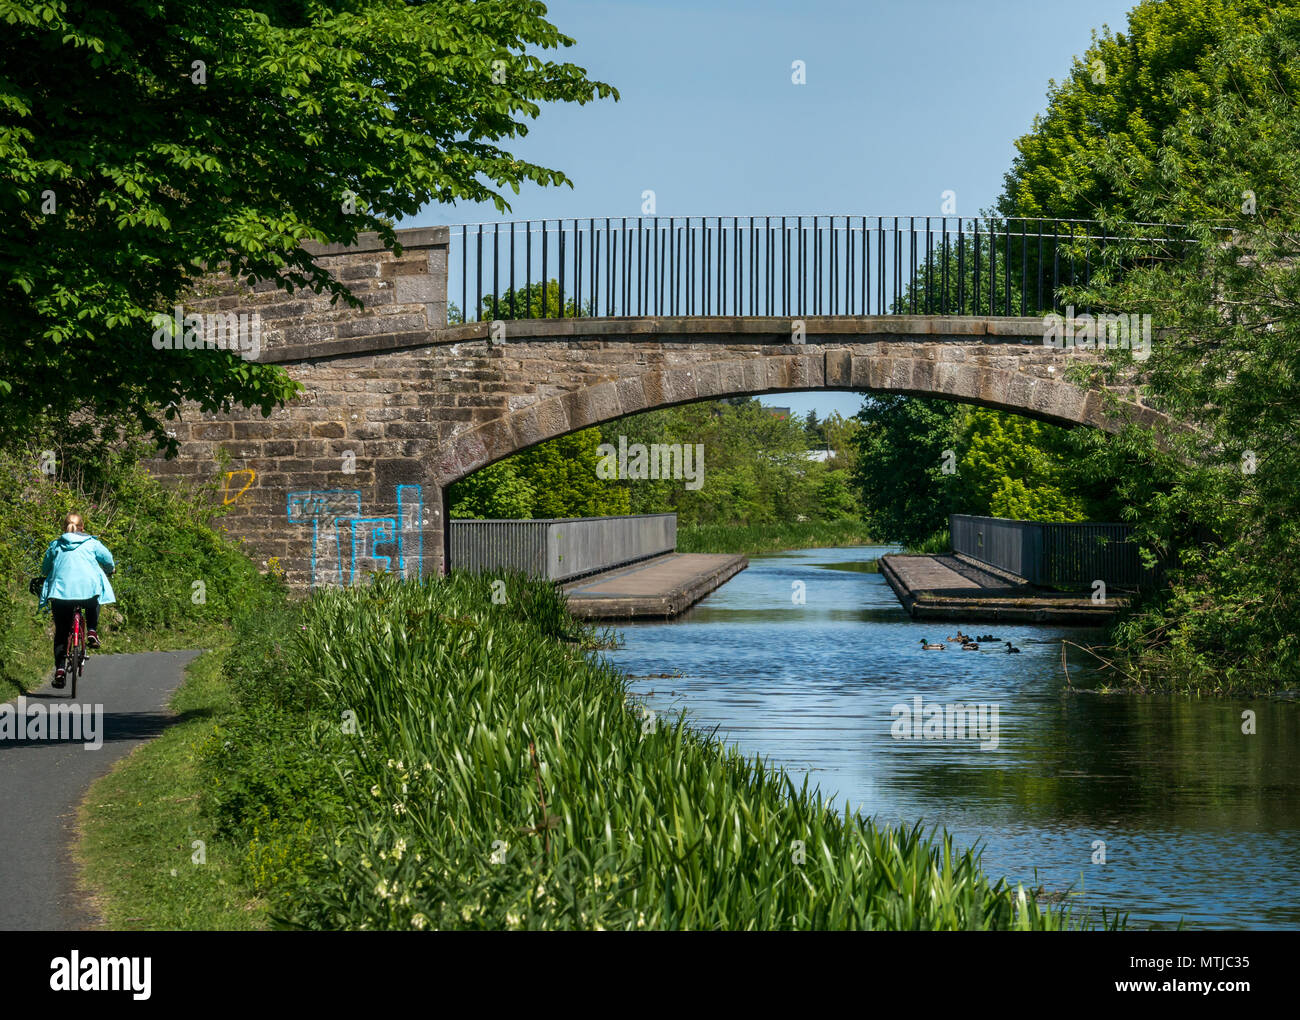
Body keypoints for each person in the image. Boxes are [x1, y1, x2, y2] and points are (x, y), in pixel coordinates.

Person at [36, 512, 116, 689]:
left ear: (63, 527)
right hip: (86, 590)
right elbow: (108, 559)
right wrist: (111, 570)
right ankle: (92, 631)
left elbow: (45, 567)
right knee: (94, 598)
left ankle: (60, 670)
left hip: (61, 594)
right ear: (83, 527)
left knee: (62, 632)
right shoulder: (92, 543)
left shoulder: (56, 545)